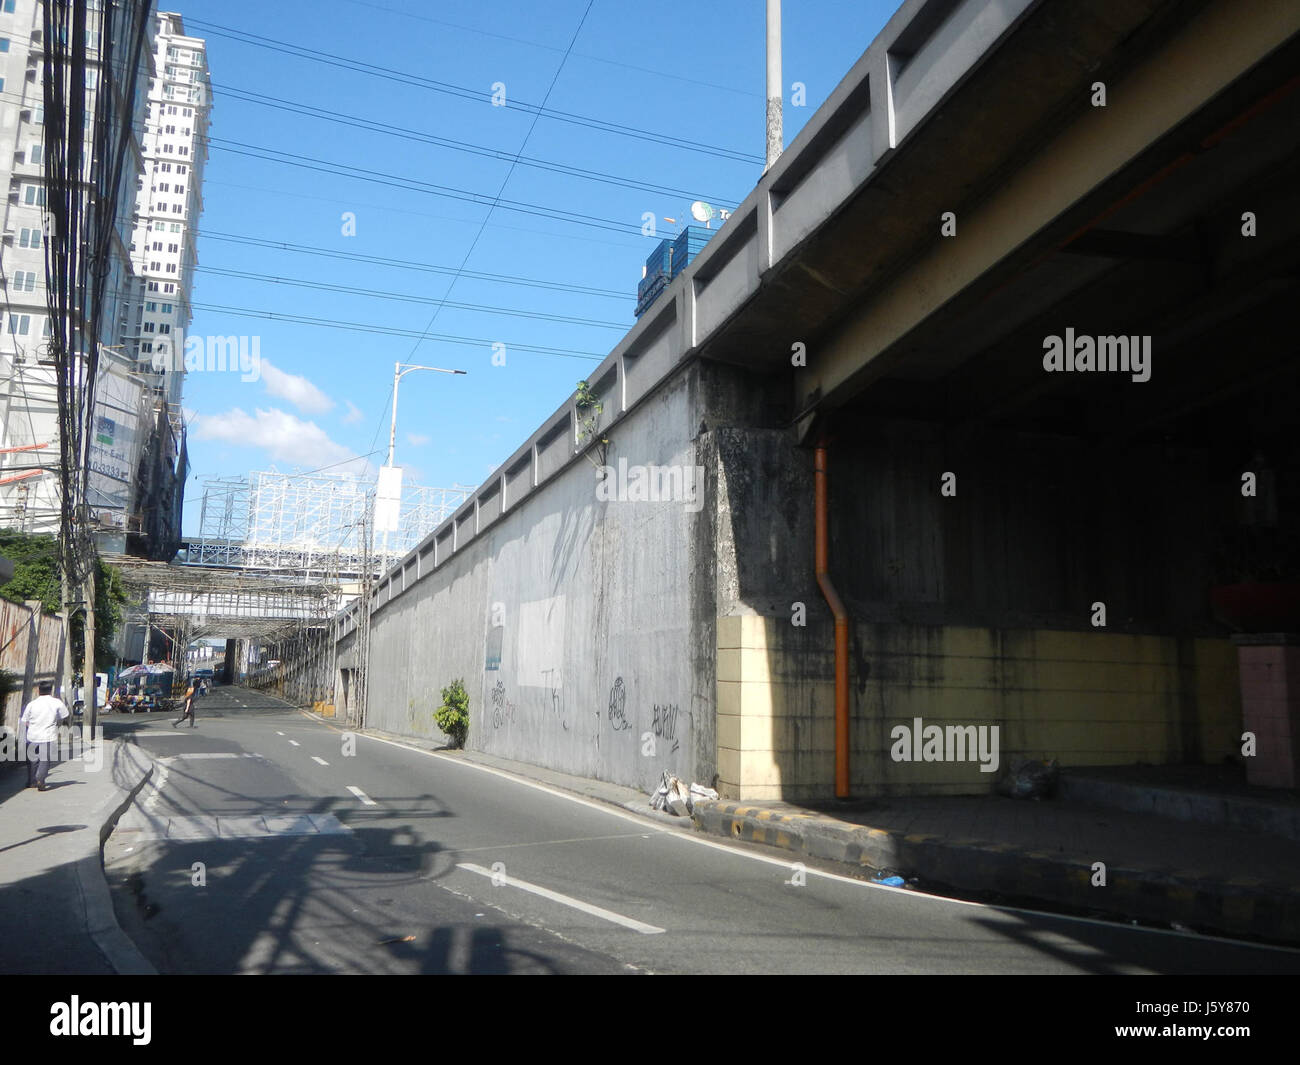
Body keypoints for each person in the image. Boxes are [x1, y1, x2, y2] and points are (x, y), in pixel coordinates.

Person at [20, 680, 70, 791]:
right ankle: (40, 779)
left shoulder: (31, 704)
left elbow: (24, 720)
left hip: (32, 736)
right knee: (44, 760)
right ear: (50, 690)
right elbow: (65, 714)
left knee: (32, 760)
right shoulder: (56, 702)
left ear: (39, 690)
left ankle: (32, 782)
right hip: (48, 736)